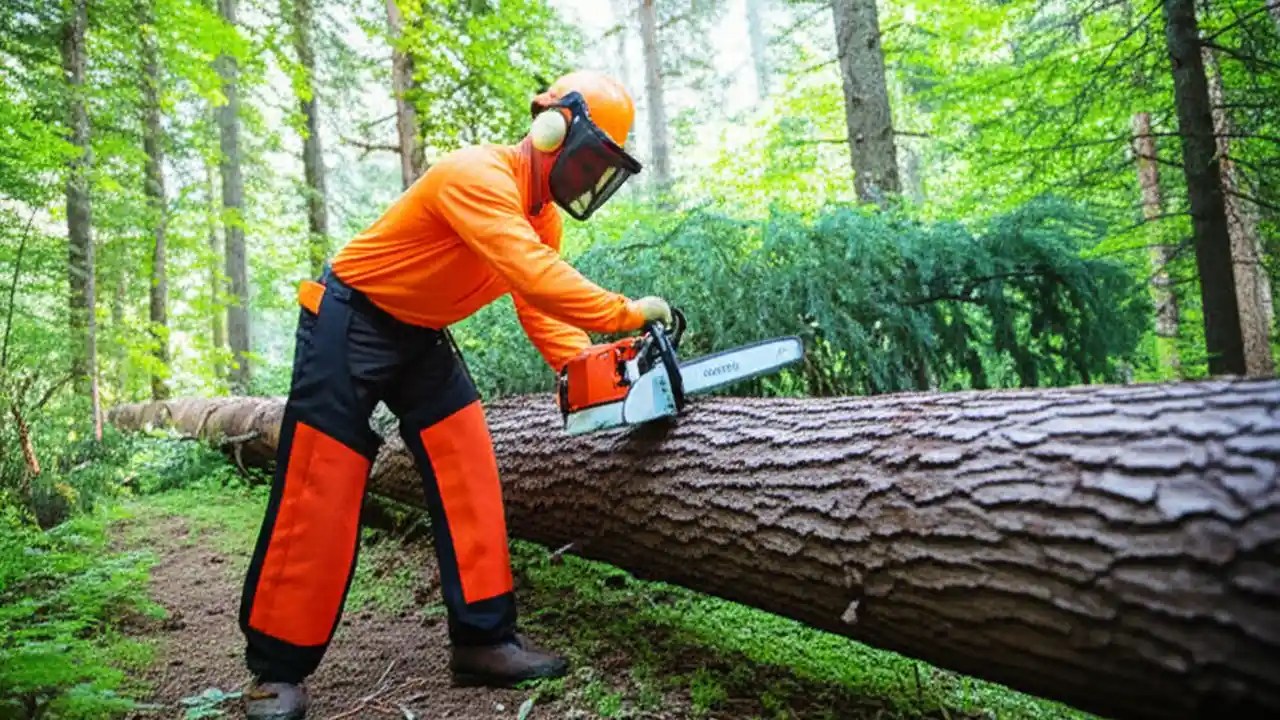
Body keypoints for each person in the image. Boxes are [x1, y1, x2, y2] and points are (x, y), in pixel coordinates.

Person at [238, 70, 671, 720]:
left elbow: (538, 306)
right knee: (322, 479)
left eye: (599, 171)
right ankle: (275, 671)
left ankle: (484, 640)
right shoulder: (477, 175)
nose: (587, 179)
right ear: (552, 129)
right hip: (349, 317)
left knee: (467, 460)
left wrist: (588, 365)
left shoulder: (542, 221)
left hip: (418, 334)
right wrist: (623, 312)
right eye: (587, 161)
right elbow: (534, 273)